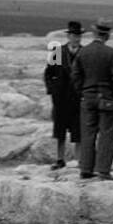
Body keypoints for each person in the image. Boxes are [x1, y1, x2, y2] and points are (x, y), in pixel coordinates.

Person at [71, 18, 113, 180]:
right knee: (107, 134)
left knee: (87, 134)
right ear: (107, 35)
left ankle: (85, 168)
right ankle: (103, 169)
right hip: (106, 97)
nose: (75, 38)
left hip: (87, 97)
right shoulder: (111, 53)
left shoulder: (82, 51)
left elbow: (75, 76)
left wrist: (82, 91)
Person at [43, 21, 83, 168]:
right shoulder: (57, 52)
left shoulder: (84, 52)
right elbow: (48, 73)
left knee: (78, 130)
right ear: (69, 36)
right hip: (60, 98)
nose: (76, 38)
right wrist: (52, 91)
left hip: (77, 98)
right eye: (73, 35)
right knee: (59, 130)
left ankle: (79, 161)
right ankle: (60, 159)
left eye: (78, 36)